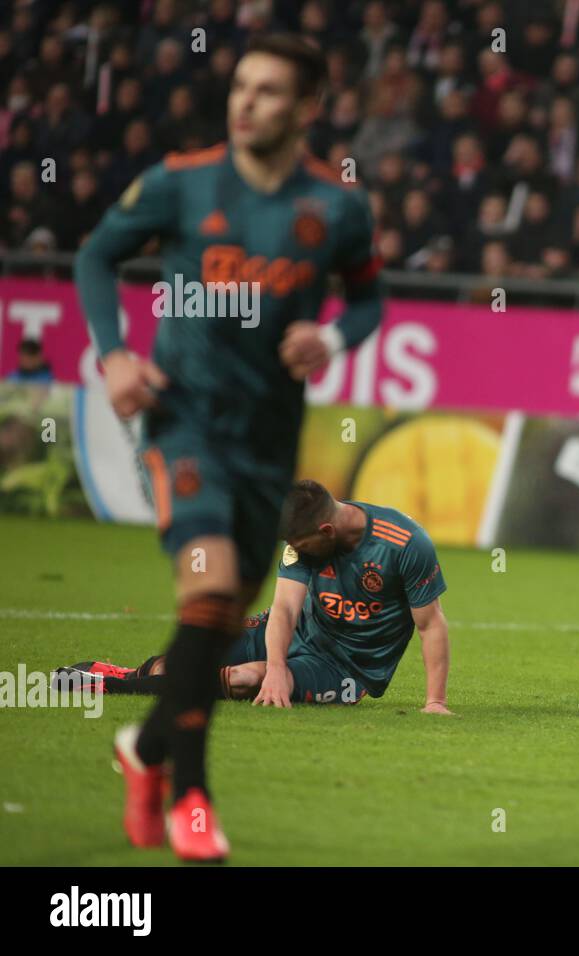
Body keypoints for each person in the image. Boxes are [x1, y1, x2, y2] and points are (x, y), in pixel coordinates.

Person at [74, 35, 383, 862]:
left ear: (308, 107)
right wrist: (113, 354)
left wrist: (332, 335)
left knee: (212, 625)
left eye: (270, 91)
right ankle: (195, 801)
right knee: (209, 596)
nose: (245, 101)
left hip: (267, 445)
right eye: (240, 85)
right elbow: (96, 256)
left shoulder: (337, 207)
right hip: (184, 425)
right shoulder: (180, 182)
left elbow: (368, 299)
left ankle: (144, 750)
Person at [59, 482, 453, 710]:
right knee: (189, 655)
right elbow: (284, 607)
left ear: (328, 531)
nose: (292, 548)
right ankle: (123, 673)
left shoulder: (405, 545)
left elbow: (431, 624)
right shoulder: (304, 541)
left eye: (297, 543)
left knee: (249, 679)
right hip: (296, 631)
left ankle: (105, 688)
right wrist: (279, 663)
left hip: (345, 669)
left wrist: (435, 702)